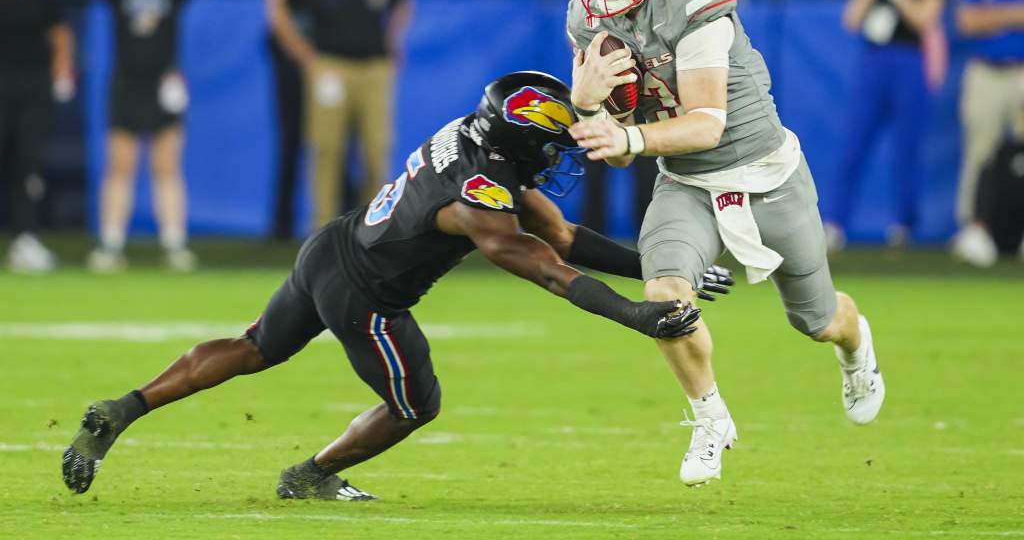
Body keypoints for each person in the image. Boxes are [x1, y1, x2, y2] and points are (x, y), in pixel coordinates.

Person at [61, 71, 733, 499]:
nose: (556, 160)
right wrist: (638, 317)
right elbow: (547, 268)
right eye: (549, 147)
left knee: (254, 347)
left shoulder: (475, 140)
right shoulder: (481, 193)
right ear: (517, 141)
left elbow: (560, 237)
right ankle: (309, 477)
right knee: (417, 405)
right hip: (368, 297)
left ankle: (121, 409)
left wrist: (663, 269)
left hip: (333, 246)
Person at [566, 0, 885, 487]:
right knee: (663, 295)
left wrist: (628, 141)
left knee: (816, 320)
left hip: (767, 176)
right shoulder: (586, 19)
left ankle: (855, 341)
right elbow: (616, 147)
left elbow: (707, 123)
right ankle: (710, 419)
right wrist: (586, 108)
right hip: (686, 185)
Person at [79, 0, 216, 271]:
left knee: (167, 166)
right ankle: (111, 245)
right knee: (120, 167)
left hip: (163, 85)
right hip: (126, 84)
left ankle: (174, 244)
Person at [274, 0, 412, 231]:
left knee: (376, 147)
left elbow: (404, 4)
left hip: (374, 68)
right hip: (331, 67)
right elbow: (282, 9)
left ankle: (374, 225)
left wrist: (392, 39)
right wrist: (306, 57)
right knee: (326, 148)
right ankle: (322, 227)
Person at [823, 0, 945, 251]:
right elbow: (851, 20)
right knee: (853, 145)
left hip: (908, 67)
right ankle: (835, 222)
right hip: (873, 66)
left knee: (908, 150)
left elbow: (923, 20)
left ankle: (905, 225)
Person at [252, 0, 333, 240]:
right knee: (292, 135)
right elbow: (275, 10)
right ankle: (282, 223)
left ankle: (346, 220)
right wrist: (303, 55)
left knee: (335, 138)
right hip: (292, 53)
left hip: (334, 53)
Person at [0, 0, 75, 272]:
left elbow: (61, 35)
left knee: (27, 166)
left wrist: (62, 71)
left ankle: (25, 239)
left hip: (32, 90)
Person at [951, 0, 1024, 267]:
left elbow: (983, 19)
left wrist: (993, 17)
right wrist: (1013, 14)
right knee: (981, 149)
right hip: (987, 71)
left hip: (1021, 70)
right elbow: (967, 21)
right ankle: (974, 227)